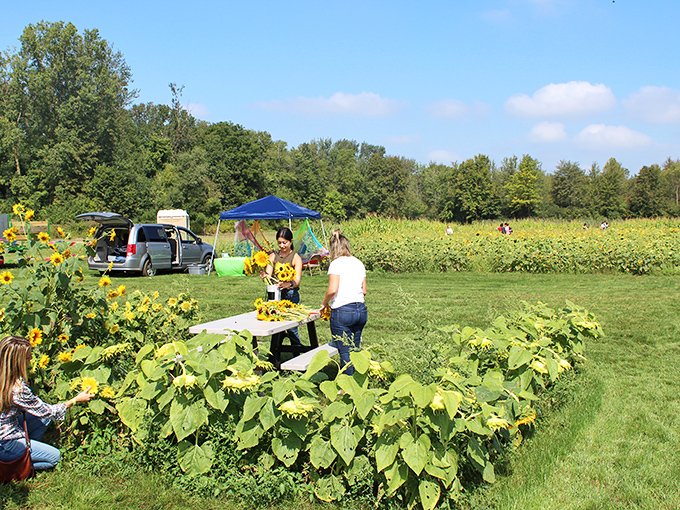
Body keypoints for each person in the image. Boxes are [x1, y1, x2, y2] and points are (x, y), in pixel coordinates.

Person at [0, 335, 93, 471]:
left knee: (44, 419)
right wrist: (75, 400)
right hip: (6, 442)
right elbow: (49, 411)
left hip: (5, 430)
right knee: (55, 457)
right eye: (27, 357)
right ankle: (16, 464)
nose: (31, 359)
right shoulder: (17, 389)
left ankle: (27, 451)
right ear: (17, 361)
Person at [321, 229, 367, 375]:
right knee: (355, 348)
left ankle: (346, 387)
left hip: (342, 312)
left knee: (345, 351)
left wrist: (324, 303)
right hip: (360, 309)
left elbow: (333, 289)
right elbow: (364, 290)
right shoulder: (359, 263)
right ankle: (358, 379)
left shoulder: (335, 264)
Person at [261, 227, 303, 360]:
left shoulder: (296, 258)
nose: (282, 245)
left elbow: (297, 281)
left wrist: (288, 284)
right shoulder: (273, 256)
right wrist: (265, 277)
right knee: (276, 329)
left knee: (292, 330)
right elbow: (268, 276)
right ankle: (274, 359)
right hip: (276, 297)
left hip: (291, 296)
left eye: (284, 242)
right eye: (279, 242)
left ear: (290, 241)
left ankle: (297, 358)